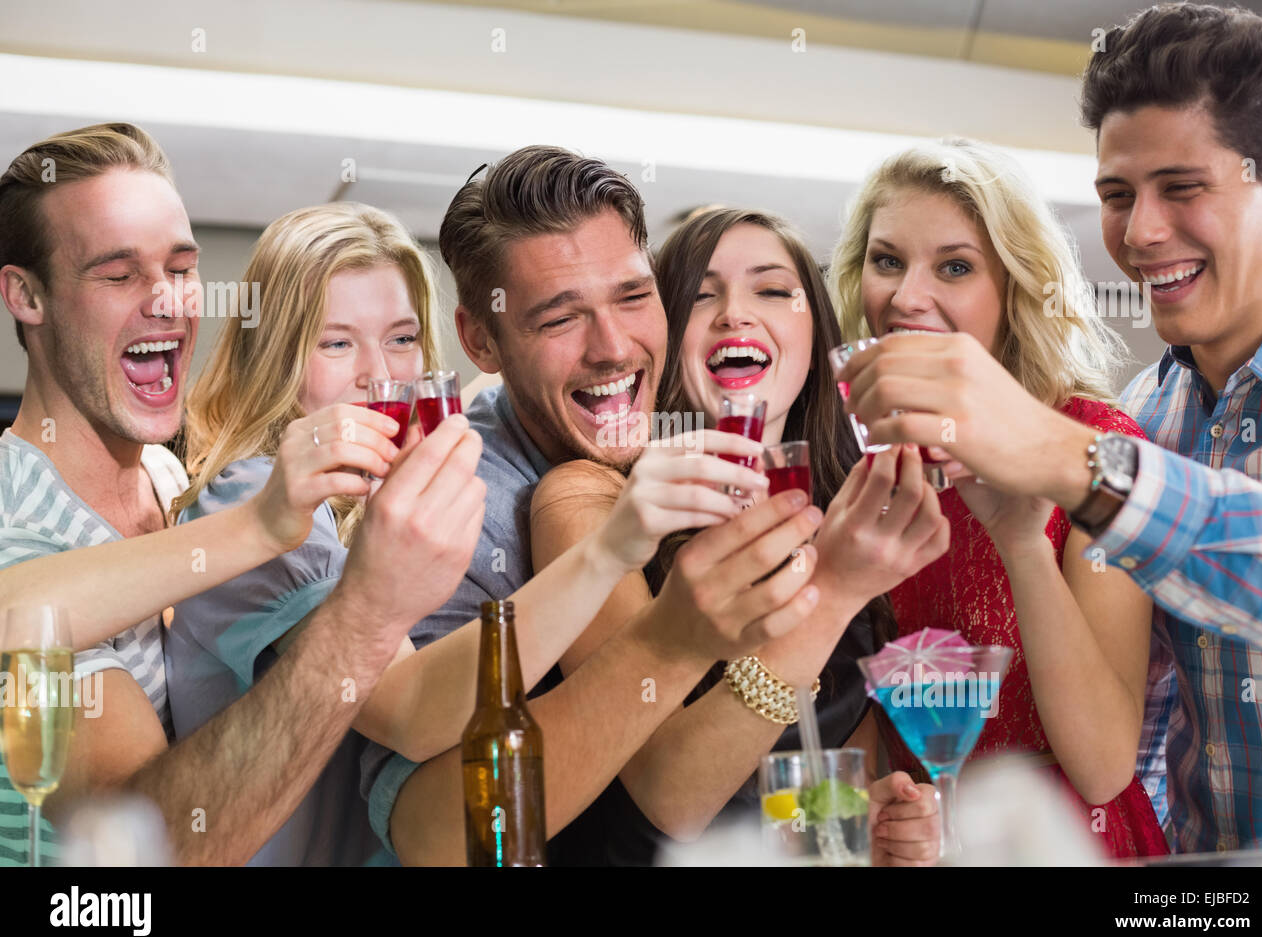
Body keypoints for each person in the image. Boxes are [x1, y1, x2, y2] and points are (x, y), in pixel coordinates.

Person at [371, 146, 938, 865]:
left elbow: (801, 798)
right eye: (558, 319)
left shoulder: (837, 496)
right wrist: (826, 593)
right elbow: (443, 832)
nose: (612, 348)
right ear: (482, 339)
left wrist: (851, 834)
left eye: (633, 298)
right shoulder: (517, 499)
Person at [167, 200, 768, 863]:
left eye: (401, 339)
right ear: (276, 356)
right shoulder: (259, 497)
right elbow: (411, 709)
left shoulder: (370, 502)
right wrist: (606, 552)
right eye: (337, 343)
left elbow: (494, 394)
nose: (380, 376)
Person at [838, 3, 1262, 853]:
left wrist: (1071, 472)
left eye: (1183, 187)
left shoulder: (1097, 443)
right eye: (1118, 195)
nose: (1141, 231)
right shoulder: (1152, 415)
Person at [0, 123, 482, 865]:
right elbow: (143, 850)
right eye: (118, 274)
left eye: (183, 268)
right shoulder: (14, 516)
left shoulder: (168, 479)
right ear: (25, 295)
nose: (166, 302)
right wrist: (276, 532)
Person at [528, 207, 949, 865]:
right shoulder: (592, 502)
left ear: (817, 337)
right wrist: (832, 591)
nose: (733, 314)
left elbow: (800, 801)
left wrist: (871, 830)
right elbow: (668, 801)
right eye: (701, 296)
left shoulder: (844, 511)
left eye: (773, 290)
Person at [829, 137, 1170, 857]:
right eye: (887, 261)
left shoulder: (1092, 447)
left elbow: (1105, 766)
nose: (906, 296)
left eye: (955, 267)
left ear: (1015, 287)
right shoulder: (861, 458)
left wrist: (1023, 545)